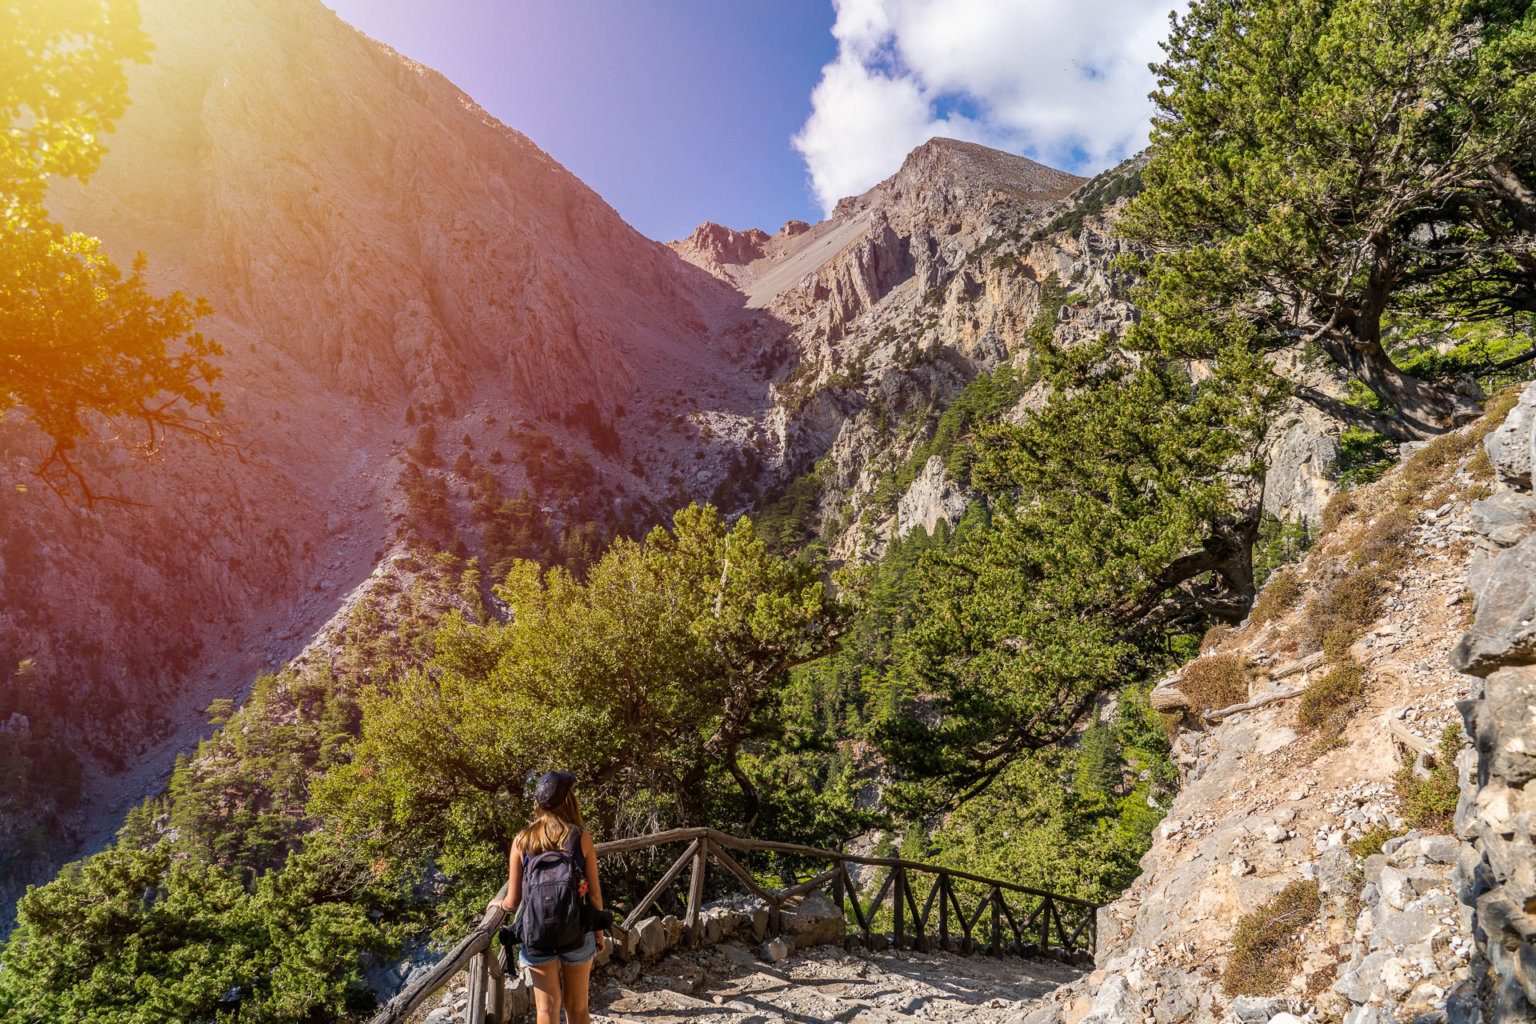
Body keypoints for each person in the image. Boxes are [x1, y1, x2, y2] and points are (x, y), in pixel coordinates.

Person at [489, 771, 607, 1024]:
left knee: (546, 1010)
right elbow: (595, 894)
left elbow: (513, 902)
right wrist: (598, 934)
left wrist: (498, 904)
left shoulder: (521, 840)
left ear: (538, 803)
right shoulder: (580, 837)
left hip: (537, 933)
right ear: (568, 801)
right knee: (577, 1007)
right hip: (577, 930)